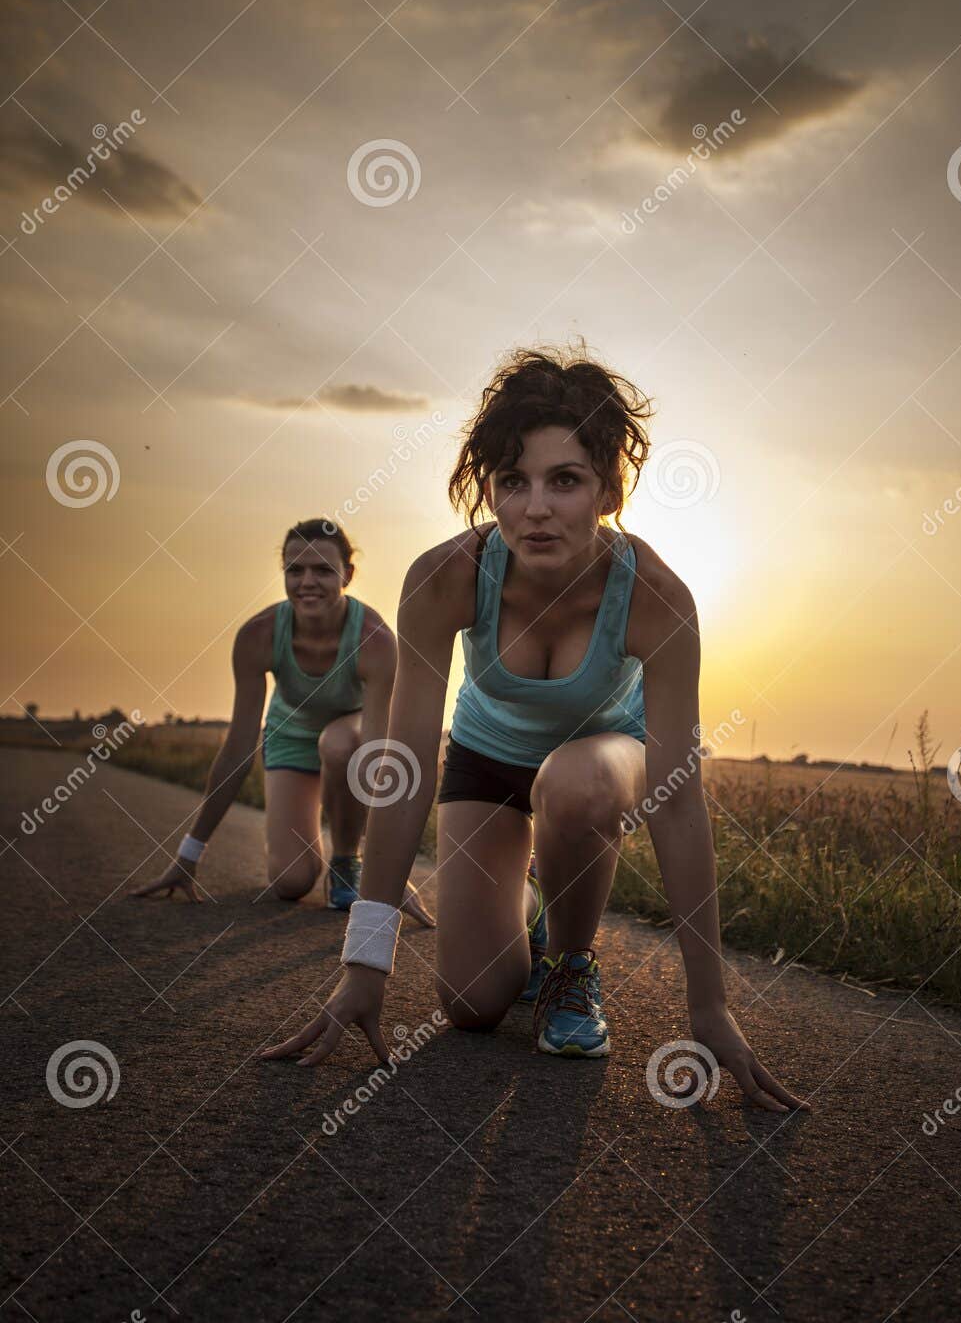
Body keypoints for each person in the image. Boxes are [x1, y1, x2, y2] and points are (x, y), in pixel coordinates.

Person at [262, 350, 810, 1113]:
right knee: (470, 1006)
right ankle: (529, 897)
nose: (535, 509)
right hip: (485, 761)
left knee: (574, 784)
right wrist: (366, 961)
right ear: (488, 489)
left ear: (607, 490)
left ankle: (570, 965)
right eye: (512, 482)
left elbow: (679, 801)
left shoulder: (657, 596)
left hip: (602, 766)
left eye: (565, 480)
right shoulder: (442, 575)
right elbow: (408, 765)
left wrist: (708, 1005)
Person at [131, 518, 432, 921]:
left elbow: (377, 759)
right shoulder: (257, 635)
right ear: (284, 574)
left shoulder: (374, 640)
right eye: (295, 570)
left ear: (348, 574)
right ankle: (302, 844)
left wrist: (389, 873)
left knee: (339, 744)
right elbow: (237, 749)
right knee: (290, 882)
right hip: (290, 734)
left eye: (323, 570)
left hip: (352, 733)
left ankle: (346, 862)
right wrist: (189, 855)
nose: (307, 581)